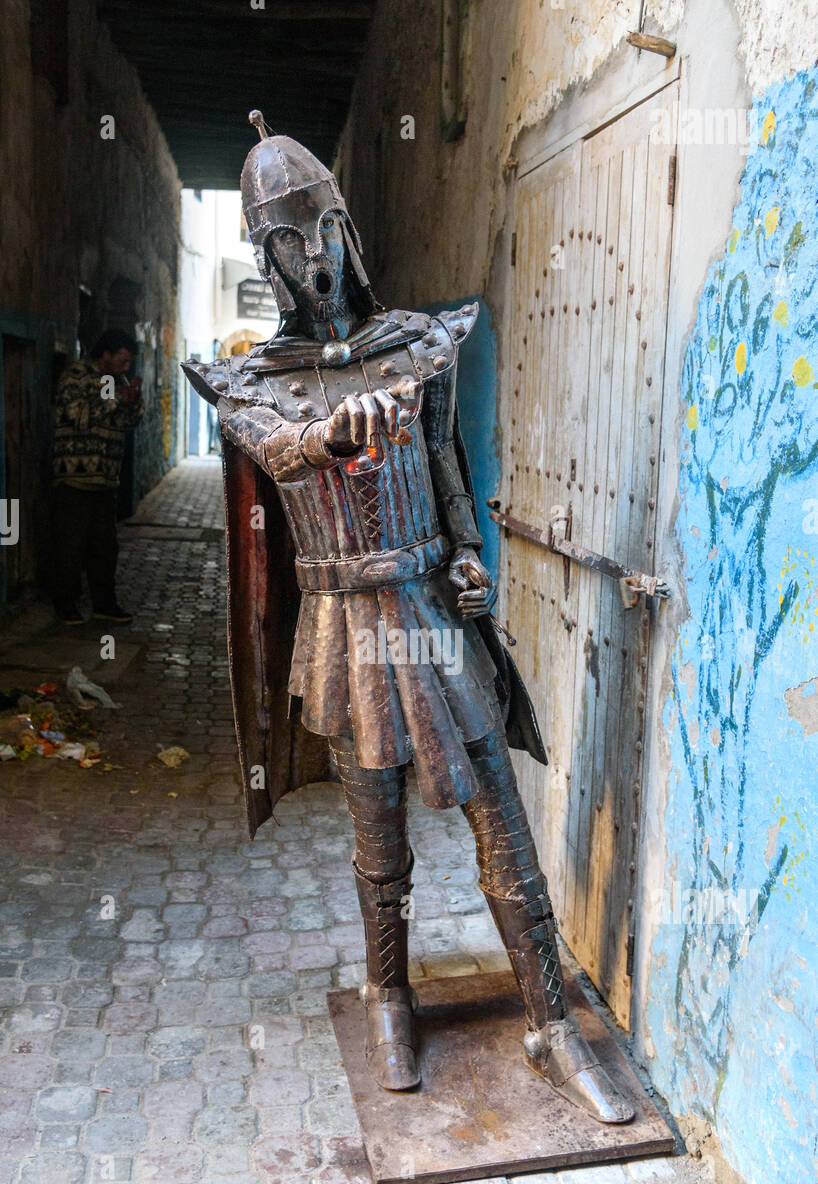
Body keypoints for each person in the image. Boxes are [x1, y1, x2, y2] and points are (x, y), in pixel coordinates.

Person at [182, 115, 634, 1124]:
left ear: (345, 227)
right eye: (288, 243)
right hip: (344, 627)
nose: (315, 257)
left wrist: (468, 558)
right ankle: (390, 994)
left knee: (499, 826)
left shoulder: (412, 349)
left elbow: (446, 478)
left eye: (324, 230)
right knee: (376, 833)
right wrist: (332, 429)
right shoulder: (255, 383)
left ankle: (550, 1022)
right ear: (266, 259)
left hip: (429, 611)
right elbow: (282, 446)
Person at [51, 328, 143, 624]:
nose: (126, 367)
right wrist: (117, 401)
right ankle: (65, 604)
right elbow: (75, 415)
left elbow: (128, 422)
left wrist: (132, 403)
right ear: (106, 354)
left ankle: (104, 604)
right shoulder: (76, 376)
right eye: (123, 360)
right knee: (70, 544)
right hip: (75, 476)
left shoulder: (118, 381)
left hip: (106, 479)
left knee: (105, 547)